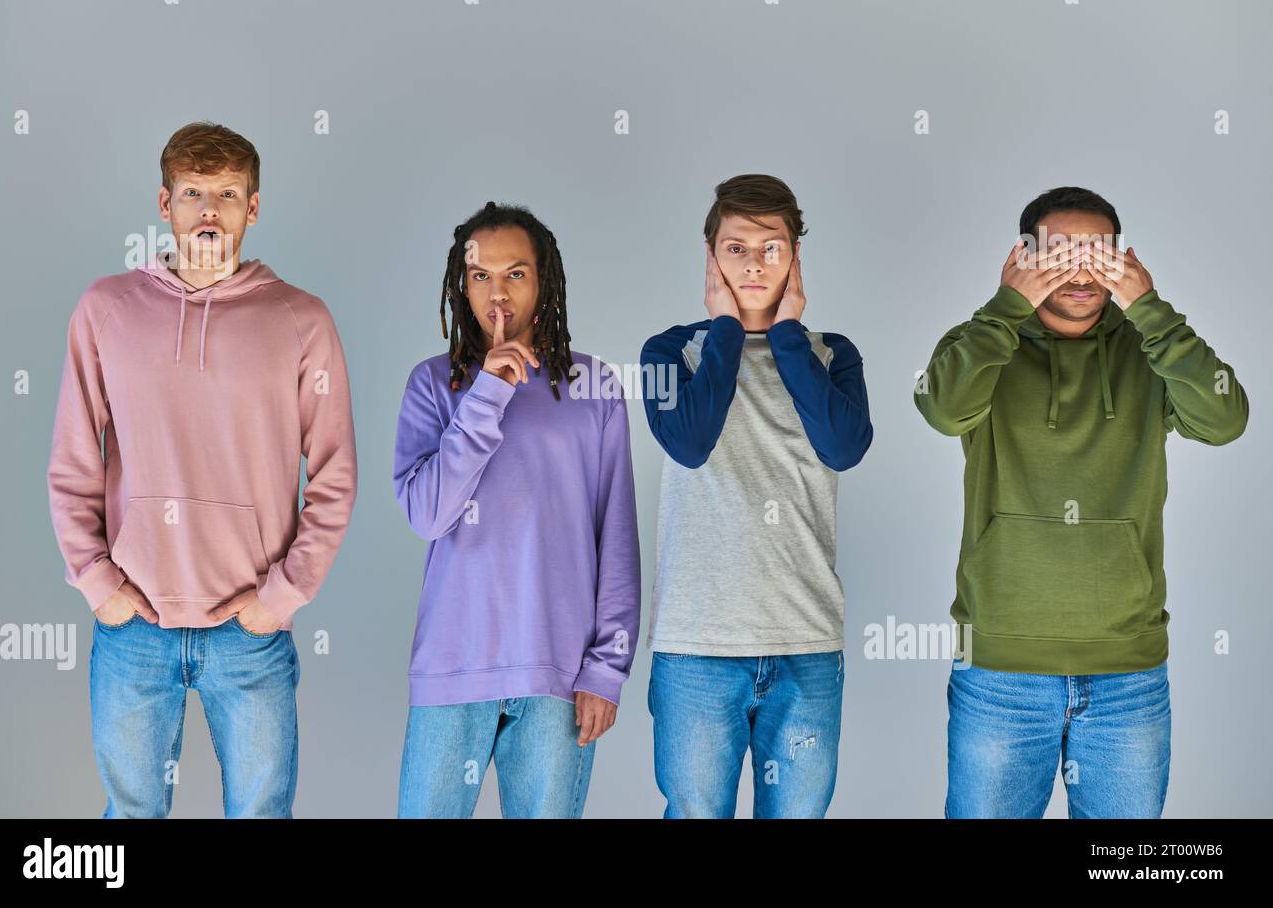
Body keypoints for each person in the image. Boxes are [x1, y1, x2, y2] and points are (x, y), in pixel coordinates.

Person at [46, 121, 358, 817]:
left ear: (254, 207)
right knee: (129, 821)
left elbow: (335, 478)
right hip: (134, 624)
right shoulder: (105, 310)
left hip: (249, 630)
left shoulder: (302, 320)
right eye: (192, 193)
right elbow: (72, 460)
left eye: (226, 193)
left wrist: (282, 598)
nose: (209, 210)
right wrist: (98, 583)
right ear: (165, 205)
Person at [913, 186, 1248, 818]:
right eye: (1058, 253)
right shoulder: (982, 340)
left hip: (1128, 672)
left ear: (1124, 260)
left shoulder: (1152, 348)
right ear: (1023, 259)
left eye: (1097, 252)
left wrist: (1150, 310)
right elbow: (942, 407)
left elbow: (1225, 418)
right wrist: (1007, 307)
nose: (1079, 269)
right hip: (1000, 671)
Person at [394, 201, 641, 818]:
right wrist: (487, 396)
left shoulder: (594, 388)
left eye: (516, 273)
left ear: (544, 283)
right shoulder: (432, 384)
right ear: (461, 285)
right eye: (480, 275)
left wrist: (606, 670)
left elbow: (617, 539)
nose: (497, 291)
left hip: (557, 679)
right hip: (454, 670)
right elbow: (427, 515)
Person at [639, 174, 873, 818]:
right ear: (710, 255)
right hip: (696, 647)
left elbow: (844, 447)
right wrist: (723, 328)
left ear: (796, 256)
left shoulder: (833, 353)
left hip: (806, 642)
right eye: (735, 247)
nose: (752, 263)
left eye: (770, 247)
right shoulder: (667, 352)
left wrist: (789, 335)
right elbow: (688, 442)